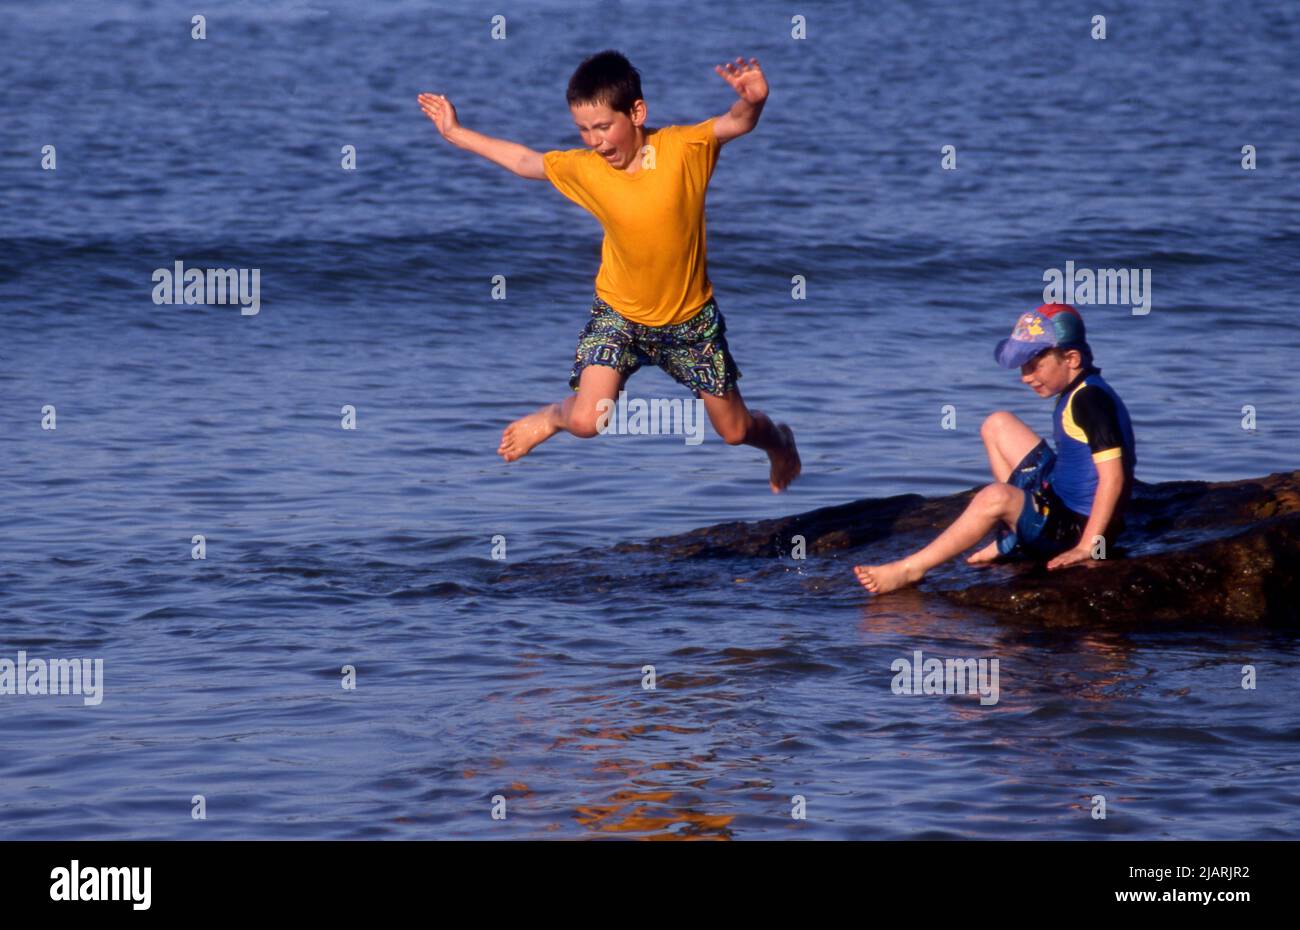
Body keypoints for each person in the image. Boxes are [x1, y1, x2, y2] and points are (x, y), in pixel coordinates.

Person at [417, 50, 801, 492]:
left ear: (637, 112)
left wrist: (754, 101)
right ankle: (552, 416)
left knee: (735, 432)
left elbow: (736, 122)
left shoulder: (683, 149)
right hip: (619, 315)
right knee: (586, 421)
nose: (595, 141)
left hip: (689, 321)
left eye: (603, 127)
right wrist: (455, 132)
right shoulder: (588, 169)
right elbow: (526, 161)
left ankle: (779, 442)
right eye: (583, 130)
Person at [855, 303, 1136, 594]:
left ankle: (909, 569)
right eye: (1023, 366)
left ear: (1071, 358)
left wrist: (1089, 545)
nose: (1025, 377)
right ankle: (1013, 532)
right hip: (1058, 494)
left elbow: (1114, 477)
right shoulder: (1080, 388)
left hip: (1074, 528)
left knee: (994, 496)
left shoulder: (1089, 401)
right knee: (997, 424)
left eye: (1034, 364)